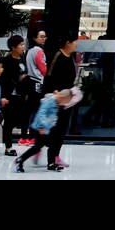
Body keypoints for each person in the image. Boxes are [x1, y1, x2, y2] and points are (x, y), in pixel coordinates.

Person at [14, 89, 75, 173]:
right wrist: (42, 126)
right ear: (62, 98)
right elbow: (41, 113)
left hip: (47, 128)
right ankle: (19, 160)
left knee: (53, 144)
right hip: (40, 128)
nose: (64, 104)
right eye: (65, 102)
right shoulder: (50, 101)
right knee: (37, 147)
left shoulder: (56, 102)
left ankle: (51, 164)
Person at [42, 36, 79, 171]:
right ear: (67, 42)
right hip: (58, 99)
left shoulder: (70, 57)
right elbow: (50, 77)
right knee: (56, 129)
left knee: (62, 129)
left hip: (67, 99)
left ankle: (55, 155)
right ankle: (50, 158)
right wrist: (57, 94)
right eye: (74, 41)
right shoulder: (58, 56)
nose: (76, 44)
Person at [0, 35, 31, 147]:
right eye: (21, 45)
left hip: (21, 95)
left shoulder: (23, 58)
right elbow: (3, 79)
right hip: (9, 95)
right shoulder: (7, 61)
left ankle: (18, 138)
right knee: (9, 121)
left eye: (23, 44)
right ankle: (8, 146)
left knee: (17, 120)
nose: (23, 47)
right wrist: (3, 96)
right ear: (13, 47)